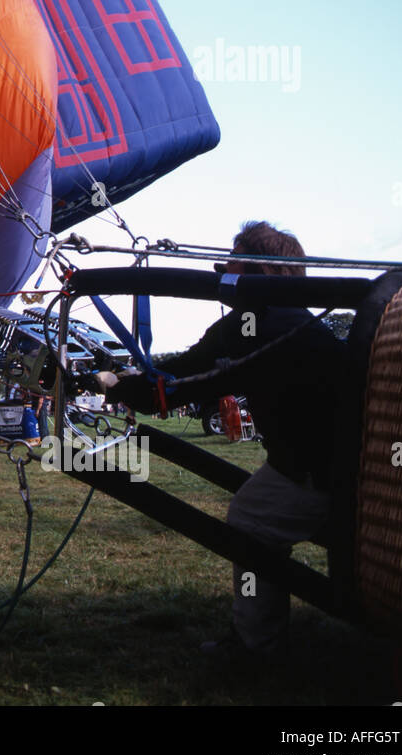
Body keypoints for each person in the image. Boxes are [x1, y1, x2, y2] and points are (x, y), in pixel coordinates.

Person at [100, 221, 347, 661]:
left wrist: (116, 385)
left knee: (250, 518)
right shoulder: (294, 320)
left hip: (317, 471)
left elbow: (182, 384)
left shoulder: (253, 324)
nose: (221, 271)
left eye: (232, 260)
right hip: (341, 462)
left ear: (256, 267)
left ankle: (257, 643)